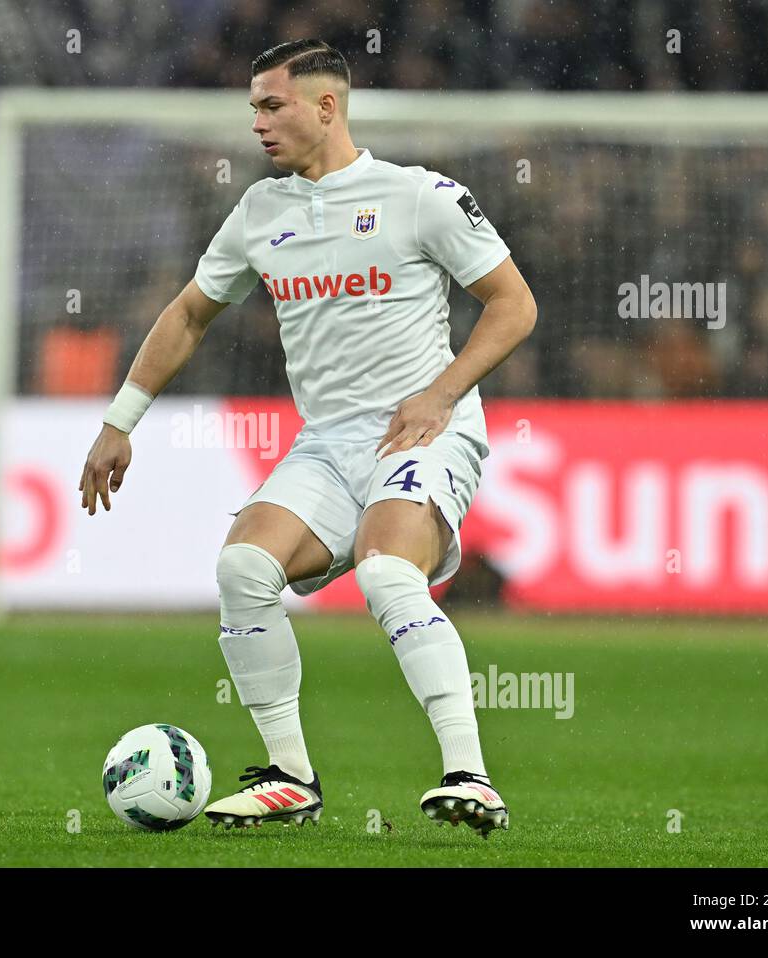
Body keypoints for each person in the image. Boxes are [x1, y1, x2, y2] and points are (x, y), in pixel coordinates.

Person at [78, 39, 536, 838]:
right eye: (252, 107)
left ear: (327, 107)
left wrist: (441, 392)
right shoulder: (261, 212)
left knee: (390, 572)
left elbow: (513, 305)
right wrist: (120, 420)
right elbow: (190, 312)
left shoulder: (419, 196)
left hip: (421, 432)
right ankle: (291, 777)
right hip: (327, 443)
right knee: (244, 569)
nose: (256, 122)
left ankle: (470, 774)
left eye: (271, 104)